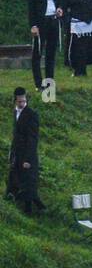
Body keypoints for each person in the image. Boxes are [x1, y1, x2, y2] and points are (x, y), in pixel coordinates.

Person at [27, 0, 63, 89]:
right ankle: (38, 84)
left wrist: (60, 9)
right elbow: (31, 6)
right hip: (40, 22)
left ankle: (49, 84)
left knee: (51, 54)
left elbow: (59, 0)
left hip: (53, 20)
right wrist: (33, 25)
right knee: (37, 53)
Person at [6, 87, 43, 215]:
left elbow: (32, 139)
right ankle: (12, 200)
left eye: (23, 101)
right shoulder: (15, 112)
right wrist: (12, 153)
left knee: (28, 182)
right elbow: (16, 135)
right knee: (15, 178)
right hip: (17, 152)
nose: (22, 103)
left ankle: (31, 210)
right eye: (19, 101)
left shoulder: (31, 114)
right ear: (15, 100)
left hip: (28, 154)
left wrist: (27, 159)